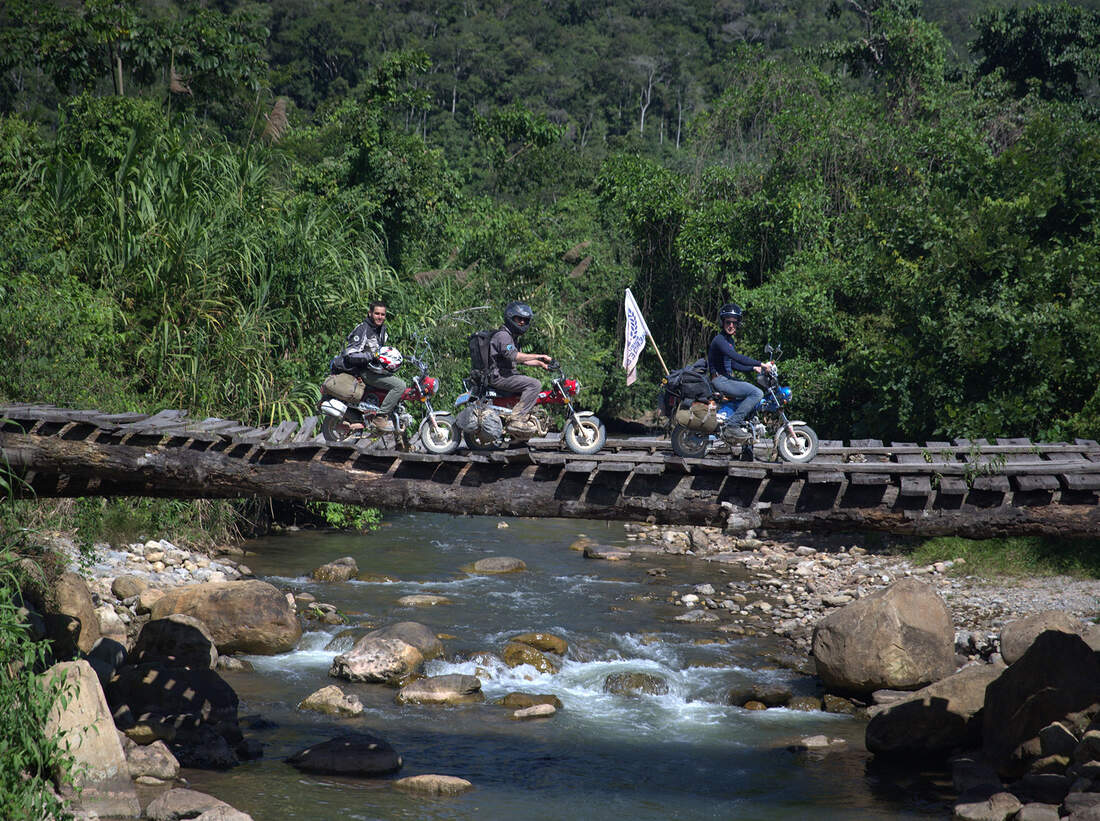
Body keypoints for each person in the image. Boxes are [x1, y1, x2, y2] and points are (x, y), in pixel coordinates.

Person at [333, 300, 406, 431]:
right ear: (370, 313)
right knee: (400, 385)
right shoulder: (363, 330)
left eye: (382, 314)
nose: (380, 317)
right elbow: (349, 354)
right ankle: (380, 417)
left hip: (376, 369)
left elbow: (381, 351)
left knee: (398, 402)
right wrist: (370, 356)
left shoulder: (381, 330)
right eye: (377, 313)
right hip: (364, 371)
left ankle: (401, 443)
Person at [707, 303, 766, 453]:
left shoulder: (729, 341)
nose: (731, 325)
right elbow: (735, 357)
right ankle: (732, 426)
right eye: (728, 322)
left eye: (734, 322)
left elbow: (732, 363)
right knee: (757, 393)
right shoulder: (719, 340)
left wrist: (753, 368)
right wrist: (760, 363)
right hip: (720, 380)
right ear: (723, 322)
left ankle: (746, 448)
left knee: (751, 401)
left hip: (727, 378)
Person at [487, 301, 552, 435]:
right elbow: (514, 356)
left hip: (507, 375)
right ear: (510, 318)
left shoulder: (512, 337)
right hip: (499, 377)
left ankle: (518, 435)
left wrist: (541, 363)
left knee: (530, 385)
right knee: (534, 385)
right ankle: (517, 419)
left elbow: (523, 360)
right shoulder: (503, 336)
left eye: (525, 320)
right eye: (519, 319)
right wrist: (540, 355)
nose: (522, 322)